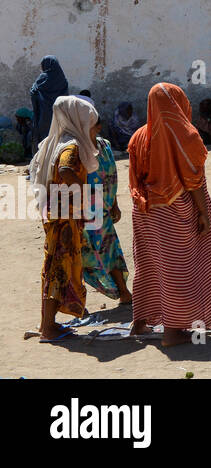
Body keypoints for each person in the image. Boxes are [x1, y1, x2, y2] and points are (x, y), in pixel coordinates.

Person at [127, 83, 211, 347]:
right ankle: (172, 330)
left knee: (149, 265)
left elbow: (134, 177)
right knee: (181, 269)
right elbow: (193, 181)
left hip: (145, 212)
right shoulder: (187, 136)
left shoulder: (139, 136)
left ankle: (139, 322)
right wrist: (202, 213)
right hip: (177, 211)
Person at [29, 95, 100, 341]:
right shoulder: (71, 146)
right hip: (65, 216)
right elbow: (66, 170)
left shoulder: (54, 142)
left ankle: (45, 324)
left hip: (55, 212)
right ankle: (48, 328)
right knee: (59, 268)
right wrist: (84, 189)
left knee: (51, 267)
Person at [81, 103, 131, 305]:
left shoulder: (104, 146)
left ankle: (124, 291)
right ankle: (78, 303)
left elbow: (111, 176)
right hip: (82, 211)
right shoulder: (76, 149)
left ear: (98, 127)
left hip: (102, 210)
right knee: (81, 255)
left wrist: (115, 204)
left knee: (110, 250)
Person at [30, 55, 69, 153]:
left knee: (44, 138)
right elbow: (66, 97)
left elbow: (33, 92)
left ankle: (43, 161)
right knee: (58, 138)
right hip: (60, 115)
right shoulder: (63, 79)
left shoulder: (43, 77)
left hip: (44, 114)